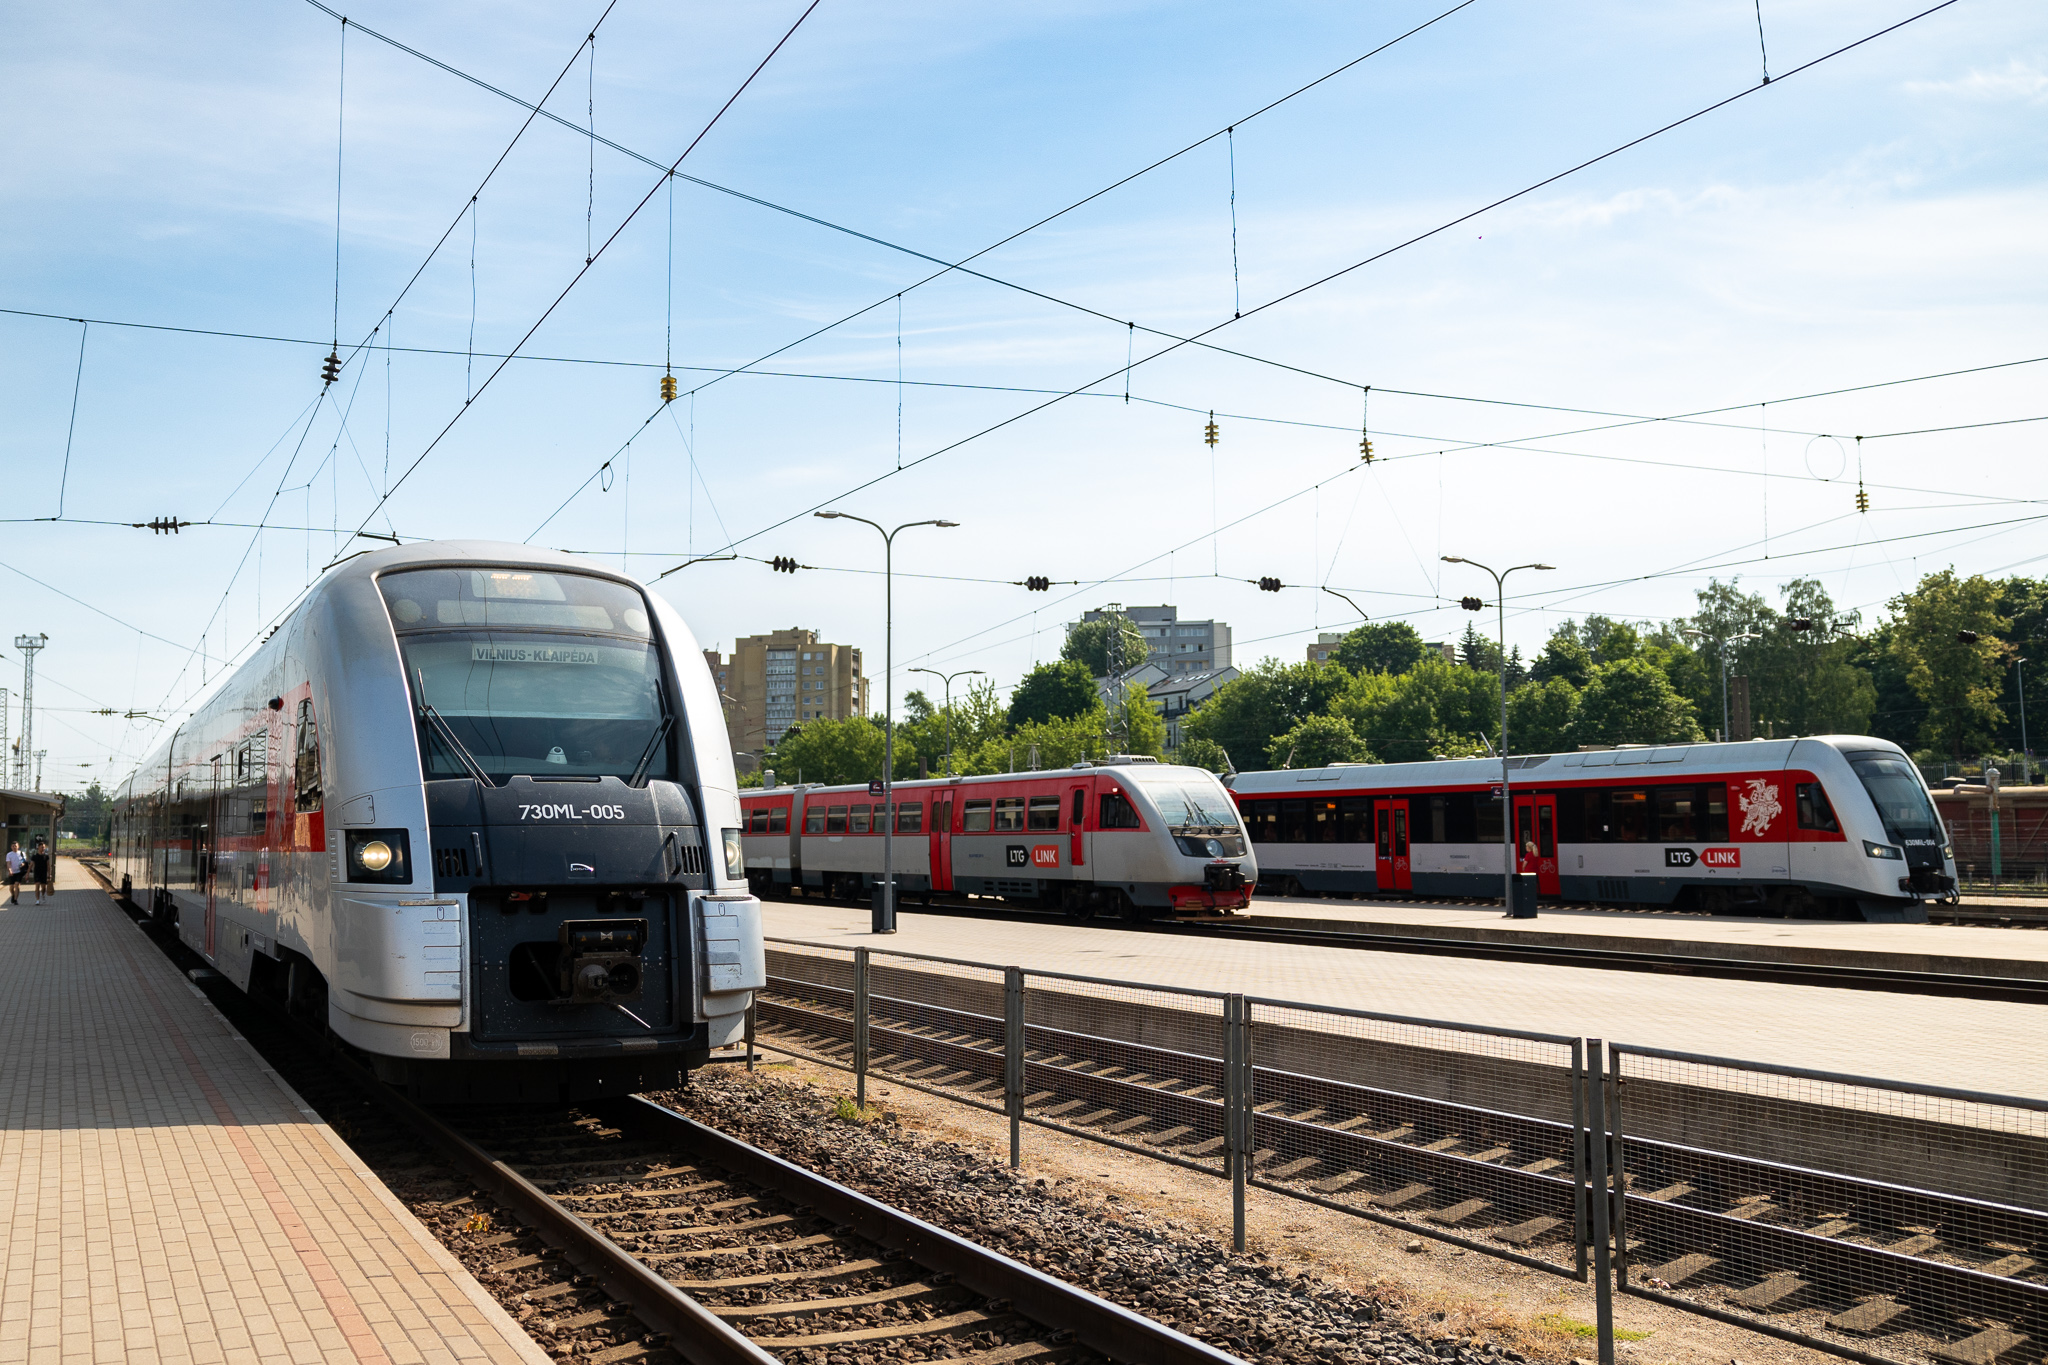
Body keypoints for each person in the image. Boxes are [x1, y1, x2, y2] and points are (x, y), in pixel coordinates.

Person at [31, 838, 54, 904]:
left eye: (44, 847)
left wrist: (49, 874)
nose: (43, 848)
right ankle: (37, 900)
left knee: (43, 888)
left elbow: (48, 866)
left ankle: (43, 895)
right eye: (42, 847)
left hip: (44, 873)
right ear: (38, 847)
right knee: (37, 886)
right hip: (37, 873)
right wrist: (27, 873)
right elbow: (31, 865)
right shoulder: (34, 856)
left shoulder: (46, 856)